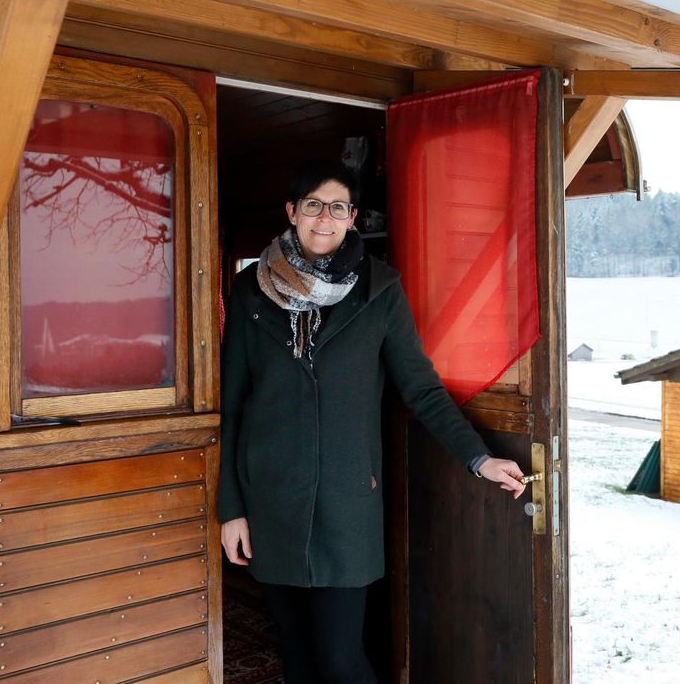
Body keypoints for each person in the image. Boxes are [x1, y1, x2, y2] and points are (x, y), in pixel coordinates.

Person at [218, 160, 527, 684]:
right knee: (294, 651)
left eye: (337, 207)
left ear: (353, 217)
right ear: (292, 212)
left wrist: (479, 457)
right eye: (313, 204)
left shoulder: (380, 292)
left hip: (347, 505)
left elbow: (421, 389)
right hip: (271, 500)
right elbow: (232, 405)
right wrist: (232, 509)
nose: (325, 217)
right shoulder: (251, 291)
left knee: (341, 659)